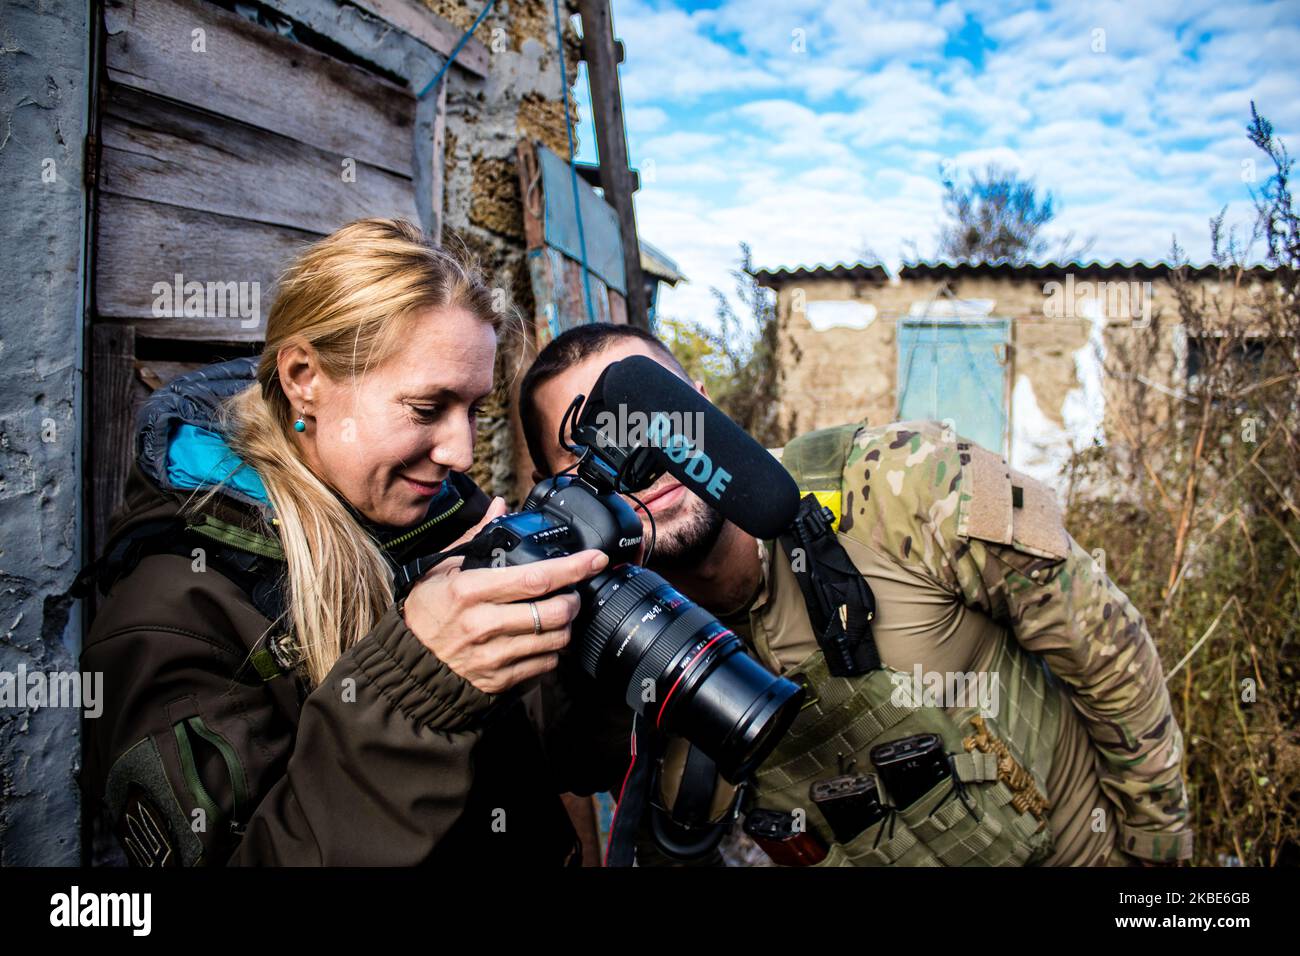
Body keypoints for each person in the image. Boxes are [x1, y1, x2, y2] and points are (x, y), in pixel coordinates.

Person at [517, 322, 1194, 866]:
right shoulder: (623, 651)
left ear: (704, 407)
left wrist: (1155, 853)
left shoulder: (899, 485)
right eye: (590, 450)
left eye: (654, 416)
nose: (641, 459)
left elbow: (1106, 649)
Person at [79, 219, 609, 866]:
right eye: (425, 408)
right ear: (304, 376)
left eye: (473, 410)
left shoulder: (443, 509)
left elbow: (557, 750)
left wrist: (578, 618)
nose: (461, 452)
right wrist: (416, 686)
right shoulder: (173, 616)